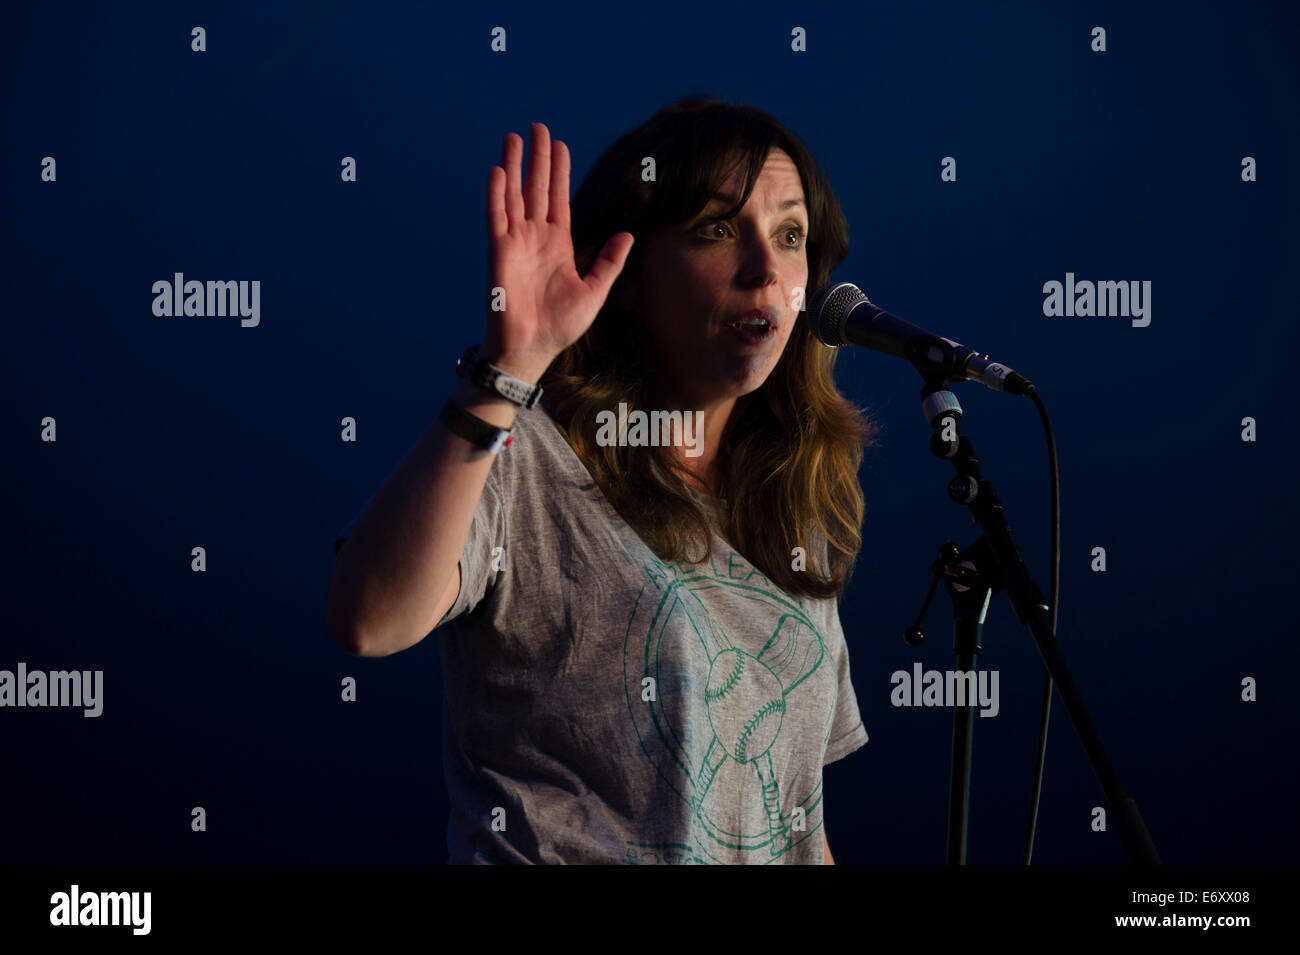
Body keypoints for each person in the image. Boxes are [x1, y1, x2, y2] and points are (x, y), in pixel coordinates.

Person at [327, 95, 880, 864]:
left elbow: (798, 823)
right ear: (629, 270)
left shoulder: (793, 512)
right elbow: (368, 617)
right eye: (716, 228)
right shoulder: (527, 456)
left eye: (790, 235)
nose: (765, 269)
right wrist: (508, 370)